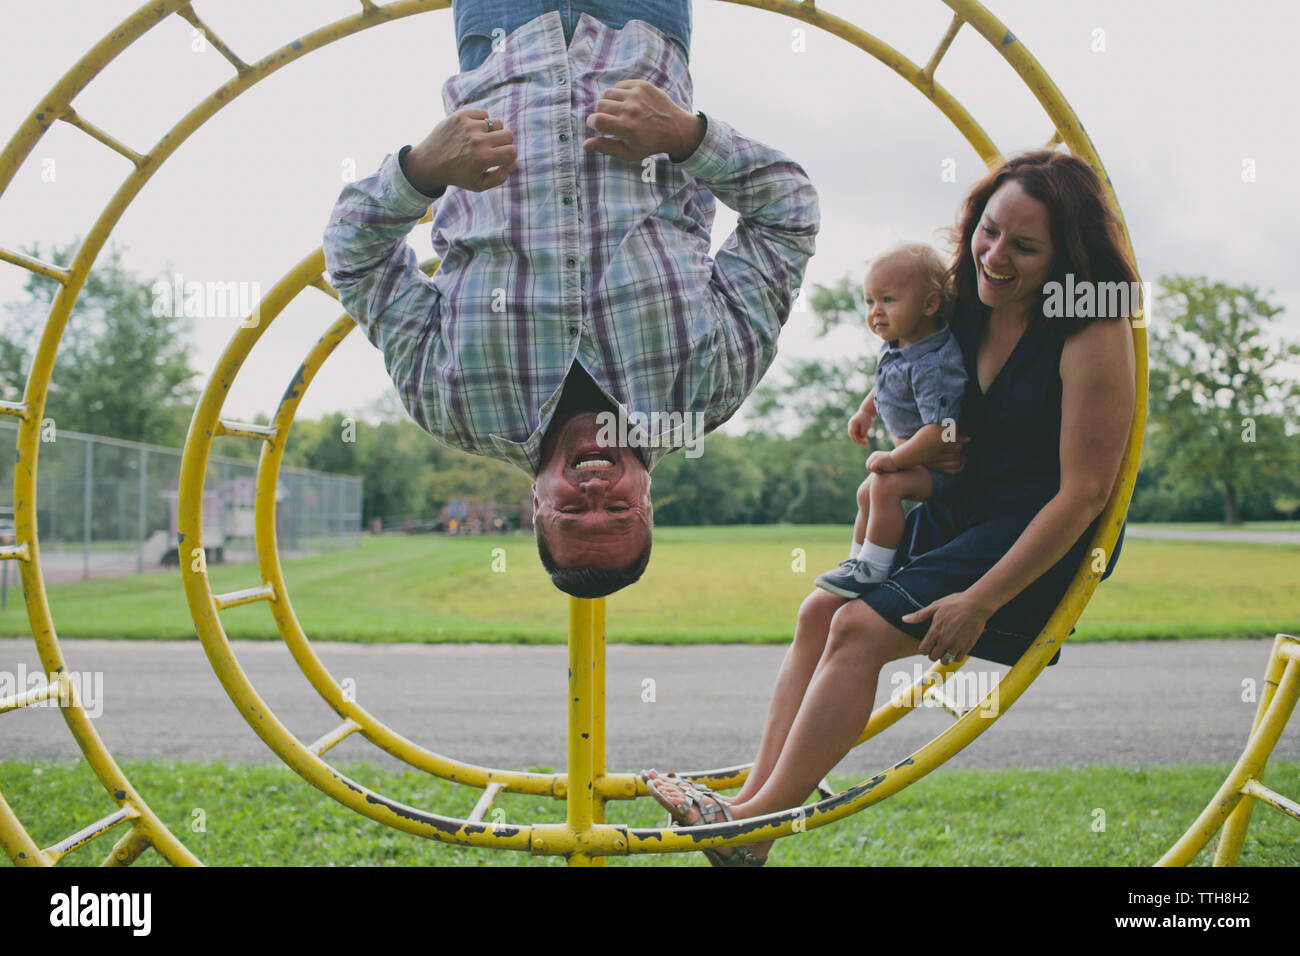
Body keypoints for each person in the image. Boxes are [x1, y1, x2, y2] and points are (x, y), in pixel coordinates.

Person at [645, 148, 1137, 865]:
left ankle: (755, 827)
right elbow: (916, 351)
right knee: (821, 611)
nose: (996, 256)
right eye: (990, 230)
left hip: (1036, 535)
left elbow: (1085, 493)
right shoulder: (965, 300)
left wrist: (978, 600)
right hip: (962, 505)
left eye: (1025, 247)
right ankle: (753, 808)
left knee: (858, 631)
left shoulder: (1089, 327)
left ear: (1066, 258)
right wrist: (880, 397)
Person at [322, 1, 819, 597]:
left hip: (503, 31)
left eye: (572, 515)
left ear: (535, 504)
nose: (595, 498)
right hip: (641, 24)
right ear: (650, 503)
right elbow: (789, 214)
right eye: (618, 515)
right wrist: (688, 138)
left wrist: (421, 170)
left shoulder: (452, 405)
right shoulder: (707, 388)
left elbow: (354, 259)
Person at [814, 242, 967, 599]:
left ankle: (874, 570)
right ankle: (857, 562)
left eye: (888, 300)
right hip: (918, 462)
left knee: (883, 485)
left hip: (944, 472)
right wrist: (867, 410)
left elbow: (941, 431)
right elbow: (886, 383)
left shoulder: (934, 364)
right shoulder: (898, 345)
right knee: (867, 490)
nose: (875, 311)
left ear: (929, 304)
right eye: (869, 301)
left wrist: (894, 460)